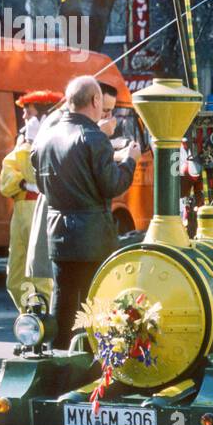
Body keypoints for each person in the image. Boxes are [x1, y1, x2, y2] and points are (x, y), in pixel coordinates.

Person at [33, 76, 138, 348]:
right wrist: (130, 160)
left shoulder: (45, 137)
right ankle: (94, 360)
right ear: (95, 100)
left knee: (63, 299)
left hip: (58, 231)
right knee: (97, 302)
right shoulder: (93, 138)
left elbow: (39, 176)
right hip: (93, 235)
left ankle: (58, 357)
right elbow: (113, 185)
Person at [0, 90, 61, 309]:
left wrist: (35, 144)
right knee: (15, 275)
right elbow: (6, 181)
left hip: (42, 210)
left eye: (28, 111)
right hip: (21, 212)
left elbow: (41, 174)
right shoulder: (23, 142)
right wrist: (24, 183)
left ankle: (44, 321)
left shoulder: (56, 140)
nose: (24, 116)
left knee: (42, 271)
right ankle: (29, 318)